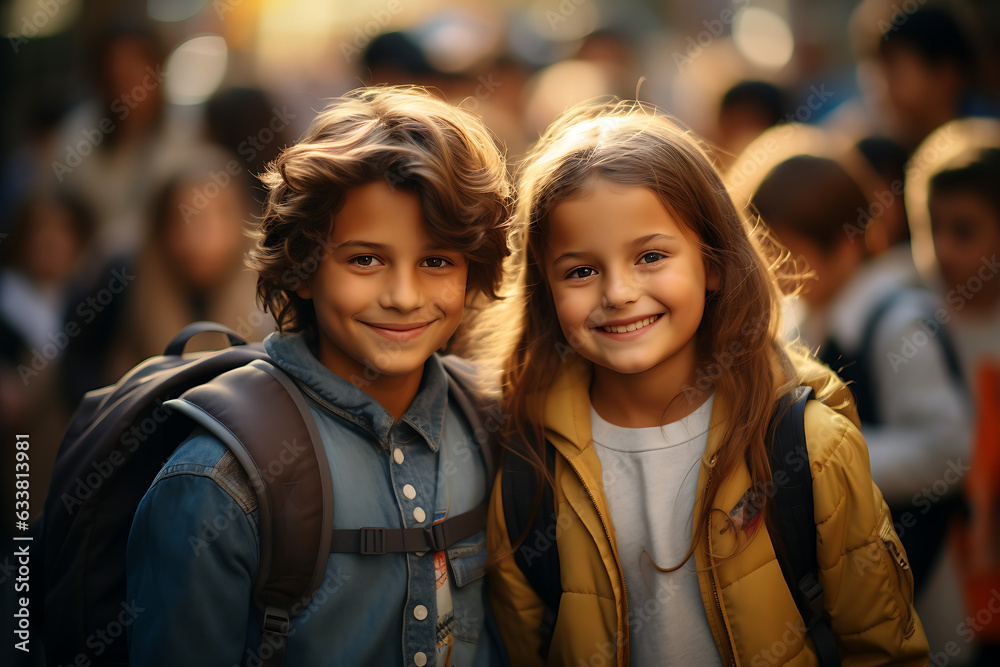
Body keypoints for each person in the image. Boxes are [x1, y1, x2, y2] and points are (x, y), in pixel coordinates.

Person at [485, 101, 929, 665]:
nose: (618, 292)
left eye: (650, 255)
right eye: (581, 270)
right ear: (545, 288)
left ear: (714, 263)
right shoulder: (526, 463)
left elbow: (884, 648)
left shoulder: (809, 444)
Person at [126, 87, 512, 666]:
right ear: (304, 268)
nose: (404, 297)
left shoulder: (488, 422)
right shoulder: (218, 480)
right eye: (365, 259)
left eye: (436, 261)